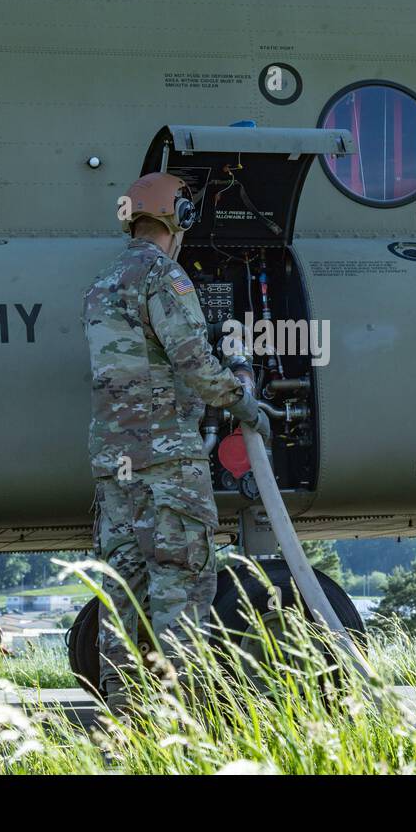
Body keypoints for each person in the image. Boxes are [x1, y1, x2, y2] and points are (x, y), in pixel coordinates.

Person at [83, 172, 270, 710]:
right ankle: (179, 721)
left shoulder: (101, 284)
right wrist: (244, 401)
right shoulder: (164, 277)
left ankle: (123, 719)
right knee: (179, 590)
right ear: (179, 217)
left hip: (114, 468)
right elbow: (194, 362)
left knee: (121, 595)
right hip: (169, 463)